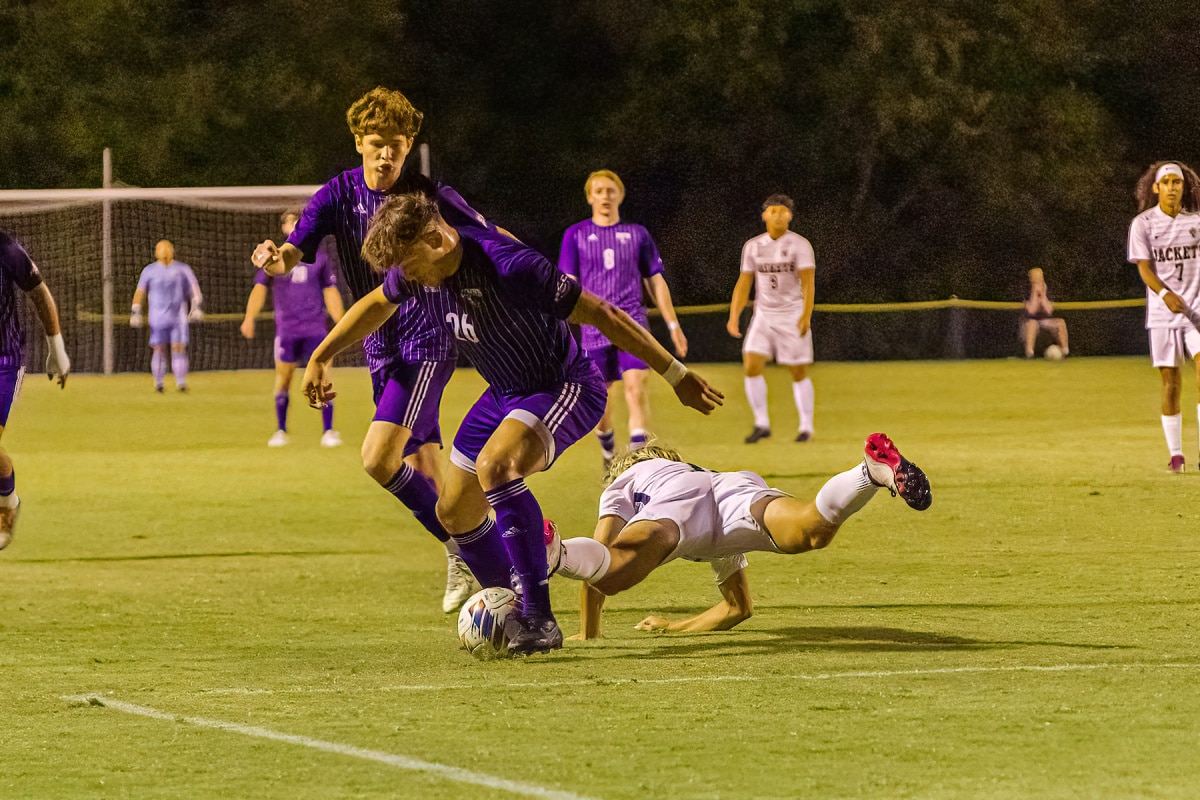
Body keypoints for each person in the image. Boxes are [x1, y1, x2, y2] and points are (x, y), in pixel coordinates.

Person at [305, 191, 723, 654]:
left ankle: (539, 619)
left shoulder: (511, 266)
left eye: (411, 264)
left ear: (436, 239)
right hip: (503, 393)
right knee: (454, 511)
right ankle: (509, 602)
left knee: (497, 466)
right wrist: (321, 355)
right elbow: (376, 303)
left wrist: (676, 375)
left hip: (562, 385)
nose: (409, 277)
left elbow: (603, 313)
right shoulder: (416, 272)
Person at [250, 87, 491, 613]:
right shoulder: (337, 195)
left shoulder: (426, 195)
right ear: (359, 141)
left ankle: (471, 548)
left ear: (409, 148)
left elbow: (485, 236)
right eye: (378, 143)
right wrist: (274, 261)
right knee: (422, 460)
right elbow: (296, 250)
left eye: (398, 146)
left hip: (426, 337)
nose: (387, 155)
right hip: (379, 343)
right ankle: (494, 541)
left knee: (379, 457)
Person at [549, 433, 931, 639]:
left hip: (679, 504)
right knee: (812, 530)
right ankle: (869, 472)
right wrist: (673, 627)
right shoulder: (692, 473)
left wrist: (589, 634)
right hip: (733, 486)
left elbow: (599, 562)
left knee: (613, 570)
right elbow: (738, 608)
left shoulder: (626, 479)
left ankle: (555, 551)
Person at [558, 170, 688, 465]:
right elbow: (568, 282)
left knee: (636, 388)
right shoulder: (575, 235)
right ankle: (607, 450)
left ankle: (638, 462)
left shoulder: (638, 235)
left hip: (633, 324)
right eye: (599, 191)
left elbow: (655, 281)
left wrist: (673, 324)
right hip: (594, 328)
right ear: (590, 197)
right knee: (600, 402)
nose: (605, 196)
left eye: (610, 190)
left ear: (620, 195)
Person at [241, 210, 346, 448]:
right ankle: (280, 430)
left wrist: (340, 321)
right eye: (290, 221)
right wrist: (249, 317)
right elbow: (259, 289)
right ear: (284, 228)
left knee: (322, 379)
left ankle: (328, 430)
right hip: (287, 331)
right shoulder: (274, 260)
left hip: (315, 328)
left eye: (297, 220)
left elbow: (330, 291)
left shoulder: (318, 258)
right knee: (284, 379)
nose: (294, 224)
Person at [1128, 161, 1200, 473]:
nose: (1172, 187)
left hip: (1196, 310)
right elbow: (1144, 267)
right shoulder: (1143, 224)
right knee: (1171, 383)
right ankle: (1176, 457)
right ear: (1156, 187)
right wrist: (1164, 294)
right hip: (1162, 312)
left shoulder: (1196, 221)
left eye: (1177, 182)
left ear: (1185, 187)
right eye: (1166, 181)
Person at [0, 232, 71, 550]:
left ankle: (6, 506)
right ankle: (10, 498)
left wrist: (56, 347)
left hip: (3, 358)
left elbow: (39, 294)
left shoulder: (6, 250)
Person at [727, 195, 816, 444]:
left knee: (798, 371)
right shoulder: (753, 246)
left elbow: (808, 283)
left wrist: (805, 315)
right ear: (764, 215)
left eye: (783, 211)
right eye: (773, 211)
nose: (778, 215)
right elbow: (744, 283)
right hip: (763, 314)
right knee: (751, 365)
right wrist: (734, 316)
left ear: (790, 215)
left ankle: (806, 426)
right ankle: (761, 423)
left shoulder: (799, 245)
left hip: (792, 314)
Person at [131, 239, 202, 392]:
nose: (164, 252)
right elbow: (140, 291)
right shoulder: (149, 271)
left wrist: (196, 307)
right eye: (160, 249)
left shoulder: (182, 269)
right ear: (156, 252)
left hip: (178, 318)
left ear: (172, 251)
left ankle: (181, 383)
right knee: (159, 349)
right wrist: (135, 310)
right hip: (157, 318)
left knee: (179, 348)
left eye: (166, 248)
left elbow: (194, 288)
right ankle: (158, 384)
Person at [1022, 268, 1069, 359]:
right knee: (1032, 323)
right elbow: (1031, 311)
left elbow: (1048, 311)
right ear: (1031, 279)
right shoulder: (1027, 291)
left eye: (1040, 278)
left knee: (1060, 322)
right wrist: (1035, 292)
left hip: (1045, 320)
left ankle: (1064, 351)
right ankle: (1029, 353)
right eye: (1036, 279)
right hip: (1029, 321)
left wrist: (1043, 295)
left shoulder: (1047, 291)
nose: (1038, 280)